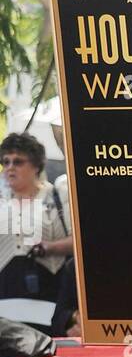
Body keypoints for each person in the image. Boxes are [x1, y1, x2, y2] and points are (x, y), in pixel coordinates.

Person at [0, 132, 80, 337]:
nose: (10, 167)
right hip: (6, 304)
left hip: (48, 299)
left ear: (36, 165)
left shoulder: (58, 195)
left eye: (18, 162)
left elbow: (79, 242)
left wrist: (49, 247)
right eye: (5, 162)